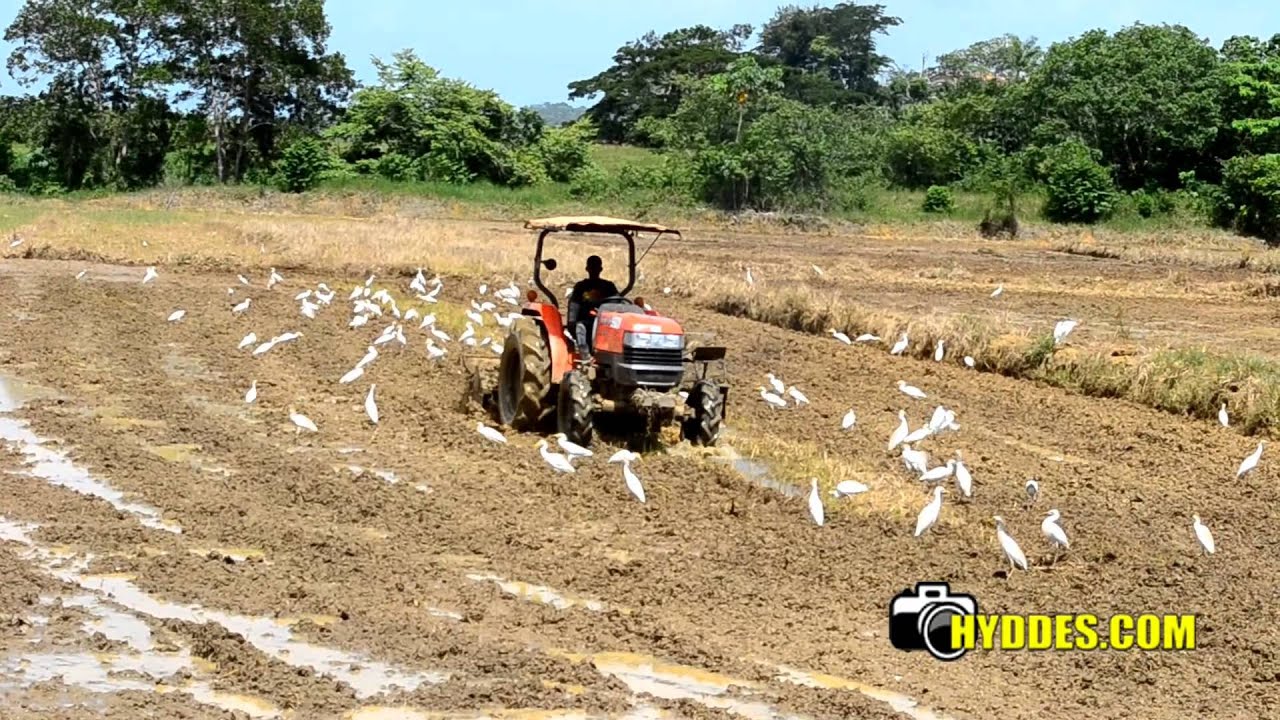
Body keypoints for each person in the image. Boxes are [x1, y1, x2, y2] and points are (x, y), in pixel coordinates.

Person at [567, 255, 620, 351]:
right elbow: (574, 306)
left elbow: (617, 303)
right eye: (592, 267)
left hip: (606, 321)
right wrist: (572, 323)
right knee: (580, 327)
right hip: (586, 321)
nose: (594, 270)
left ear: (600, 269)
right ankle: (585, 355)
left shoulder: (609, 287)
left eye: (596, 267)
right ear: (587, 269)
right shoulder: (581, 287)